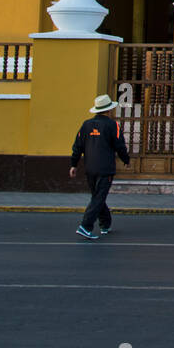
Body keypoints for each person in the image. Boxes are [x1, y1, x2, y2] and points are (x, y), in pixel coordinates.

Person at [70, 93, 130, 240]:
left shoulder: (86, 125)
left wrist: (73, 165)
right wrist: (126, 160)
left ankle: (105, 224)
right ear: (109, 110)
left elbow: (77, 146)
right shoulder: (112, 125)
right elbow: (119, 145)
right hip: (106, 168)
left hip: (90, 167)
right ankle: (85, 226)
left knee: (97, 197)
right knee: (98, 198)